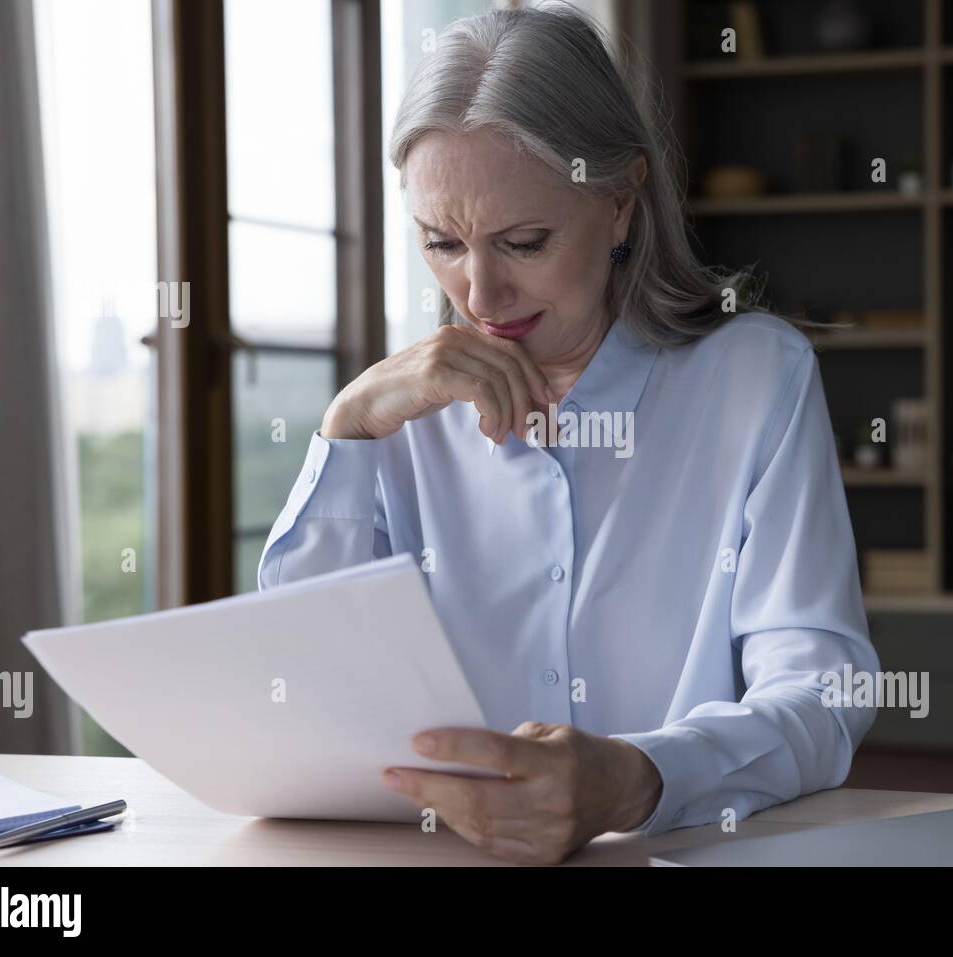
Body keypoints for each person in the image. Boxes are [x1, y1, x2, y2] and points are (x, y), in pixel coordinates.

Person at [259, 1, 879, 864]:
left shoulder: (754, 379)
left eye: (524, 241)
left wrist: (639, 775)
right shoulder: (397, 418)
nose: (478, 293)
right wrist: (344, 432)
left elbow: (824, 691)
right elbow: (299, 699)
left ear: (622, 203)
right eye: (441, 242)